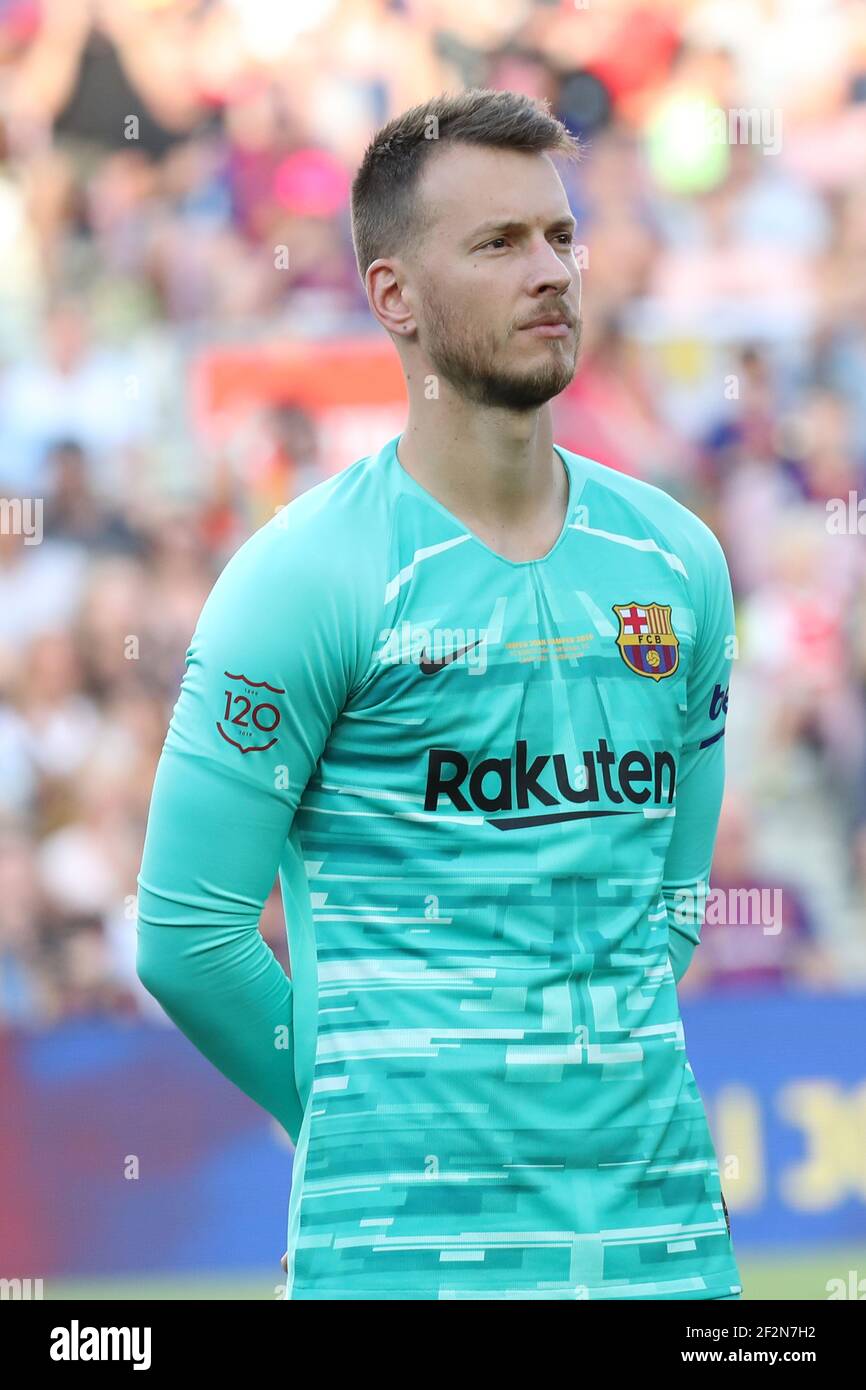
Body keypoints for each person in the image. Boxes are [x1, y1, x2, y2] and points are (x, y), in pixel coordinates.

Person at [136, 89, 741, 1301]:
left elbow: (668, 900)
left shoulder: (677, 564)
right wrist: (368, 1115)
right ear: (392, 296)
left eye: (560, 237)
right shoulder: (301, 577)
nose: (552, 272)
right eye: (499, 243)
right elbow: (187, 939)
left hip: (666, 1253)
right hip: (402, 1263)